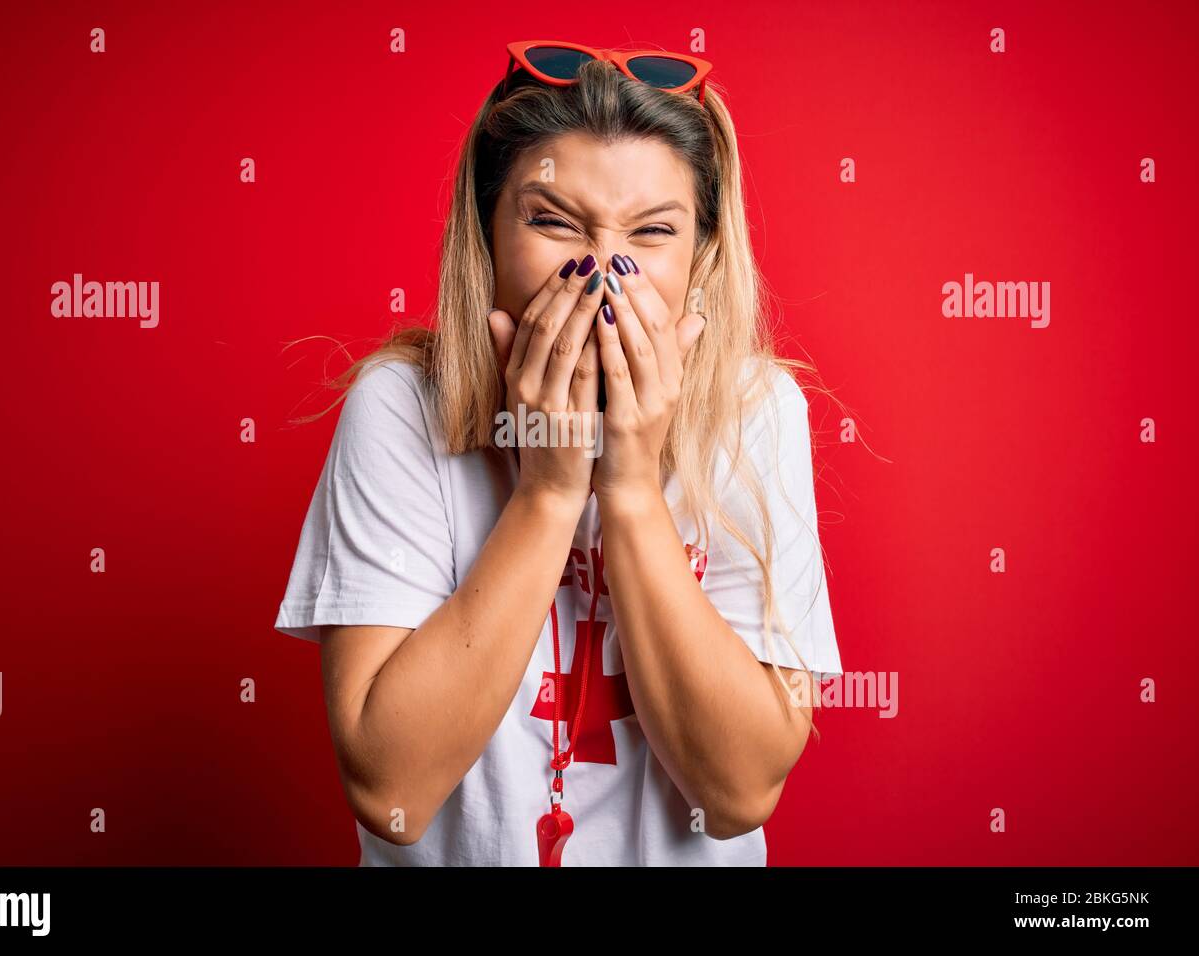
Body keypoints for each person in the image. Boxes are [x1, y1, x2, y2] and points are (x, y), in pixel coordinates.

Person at [274, 41, 843, 866]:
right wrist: (546, 489)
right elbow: (390, 793)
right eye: (551, 221)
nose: (604, 272)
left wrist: (635, 490)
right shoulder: (396, 408)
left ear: (702, 260)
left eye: (651, 232)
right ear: (485, 232)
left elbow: (738, 794)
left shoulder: (758, 416)